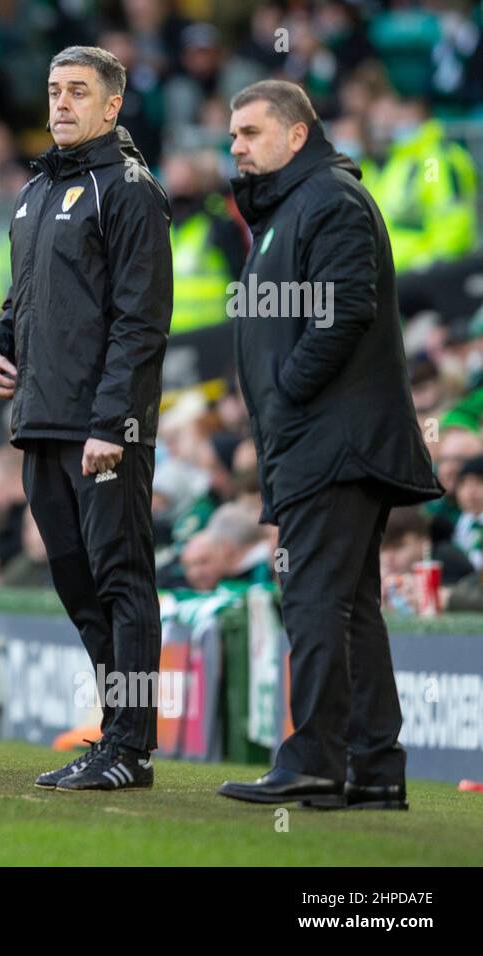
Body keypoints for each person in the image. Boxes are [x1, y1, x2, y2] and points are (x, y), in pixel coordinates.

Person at [217, 80, 442, 810]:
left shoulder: (328, 201)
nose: (236, 148)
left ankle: (314, 756)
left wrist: (284, 397)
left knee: (313, 596)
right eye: (232, 136)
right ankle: (373, 767)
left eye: (250, 133)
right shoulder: (291, 209)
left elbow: (345, 311)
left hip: (334, 440)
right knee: (349, 604)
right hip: (319, 438)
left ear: (297, 136)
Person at [0, 46, 172, 792]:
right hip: (42, 421)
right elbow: (20, 302)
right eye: (54, 90)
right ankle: (115, 736)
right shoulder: (35, 190)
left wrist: (110, 424)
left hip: (102, 428)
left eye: (78, 91)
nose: (60, 103)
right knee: (80, 586)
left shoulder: (129, 189)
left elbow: (141, 322)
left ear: (111, 105)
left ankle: (133, 747)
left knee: (122, 582)